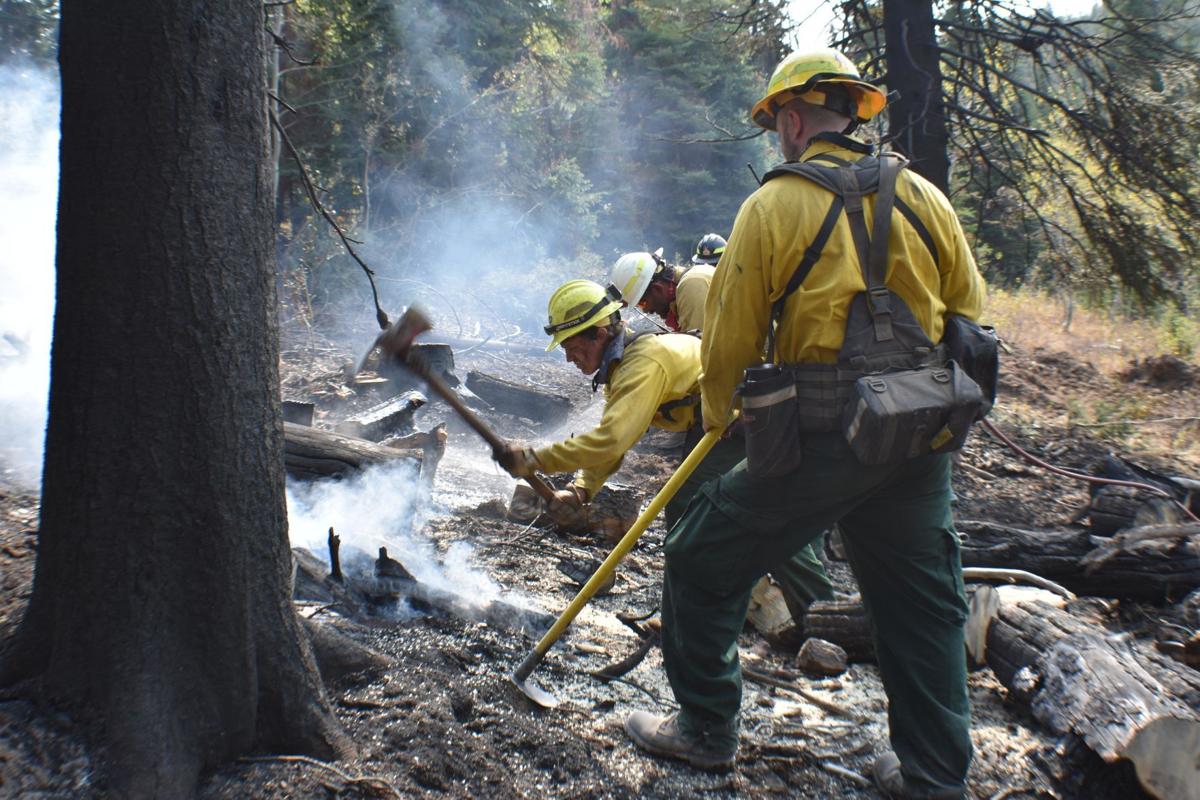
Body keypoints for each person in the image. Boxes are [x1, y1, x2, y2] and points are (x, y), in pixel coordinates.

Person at [623, 47, 986, 800]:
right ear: (853, 113)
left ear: (791, 120)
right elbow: (969, 318)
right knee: (923, 604)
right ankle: (932, 776)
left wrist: (723, 424)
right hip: (920, 440)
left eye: (774, 125)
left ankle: (705, 730)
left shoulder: (772, 206)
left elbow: (729, 341)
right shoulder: (925, 197)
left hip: (819, 443)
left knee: (699, 555)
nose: (776, 137)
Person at [495, 279, 833, 609]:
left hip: (742, 418)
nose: (570, 358)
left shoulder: (644, 363)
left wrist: (534, 459)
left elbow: (611, 441)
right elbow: (614, 437)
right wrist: (583, 489)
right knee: (732, 511)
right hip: (721, 420)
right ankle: (783, 603)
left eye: (573, 347)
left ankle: (745, 603)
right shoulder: (623, 364)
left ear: (599, 333)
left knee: (704, 510)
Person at [608, 249, 715, 333]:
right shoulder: (686, 284)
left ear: (657, 288)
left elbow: (696, 351)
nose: (645, 310)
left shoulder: (692, 285)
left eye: (642, 302)